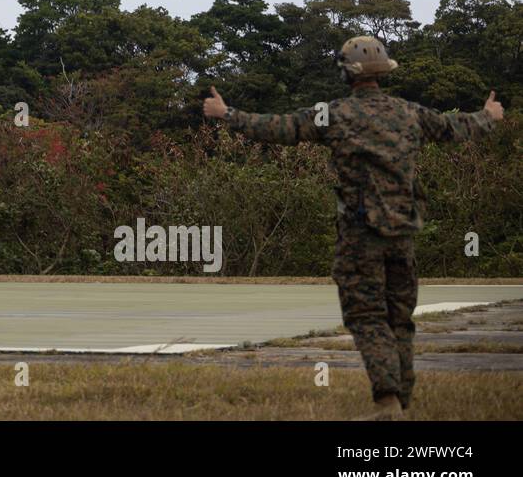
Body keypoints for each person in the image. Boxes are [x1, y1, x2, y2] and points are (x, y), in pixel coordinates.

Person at [203, 35, 504, 419]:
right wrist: (489, 117)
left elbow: (281, 128)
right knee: (399, 319)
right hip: (403, 233)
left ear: (347, 73)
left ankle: (388, 400)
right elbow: (454, 127)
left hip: (360, 236)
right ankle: (401, 401)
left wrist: (227, 114)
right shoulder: (408, 112)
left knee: (366, 316)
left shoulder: (334, 115)